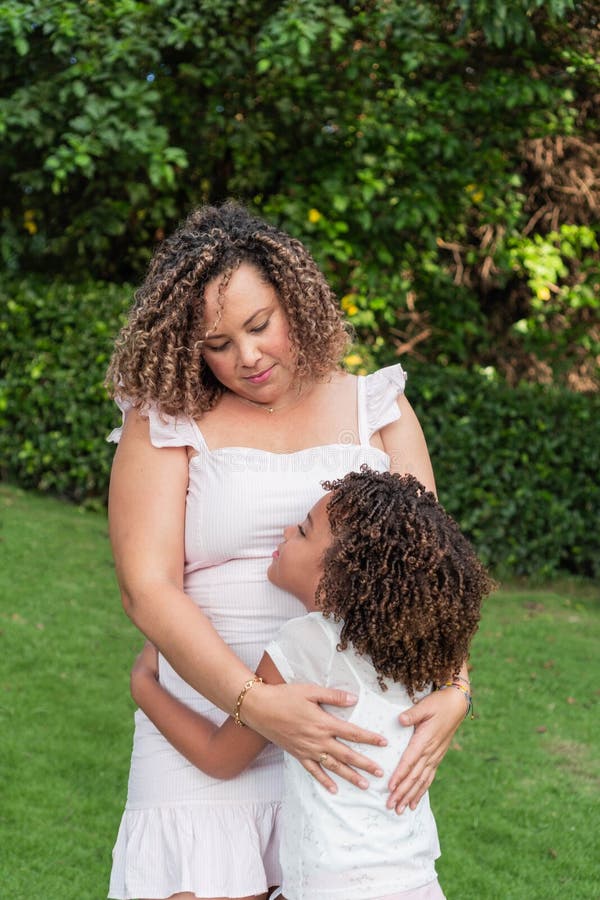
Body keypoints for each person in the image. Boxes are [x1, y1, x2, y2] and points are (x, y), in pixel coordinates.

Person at [105, 201, 472, 900]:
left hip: (343, 734)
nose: (245, 357)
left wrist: (456, 687)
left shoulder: (377, 408)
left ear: (294, 301)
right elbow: (146, 588)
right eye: (215, 343)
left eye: (259, 324)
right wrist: (254, 705)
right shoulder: (165, 420)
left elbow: (430, 569)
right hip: (207, 718)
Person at [130, 468, 495, 900]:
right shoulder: (416, 657)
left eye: (302, 531)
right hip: (416, 882)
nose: (286, 531)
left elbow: (221, 757)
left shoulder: (308, 643)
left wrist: (145, 684)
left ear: (339, 574)